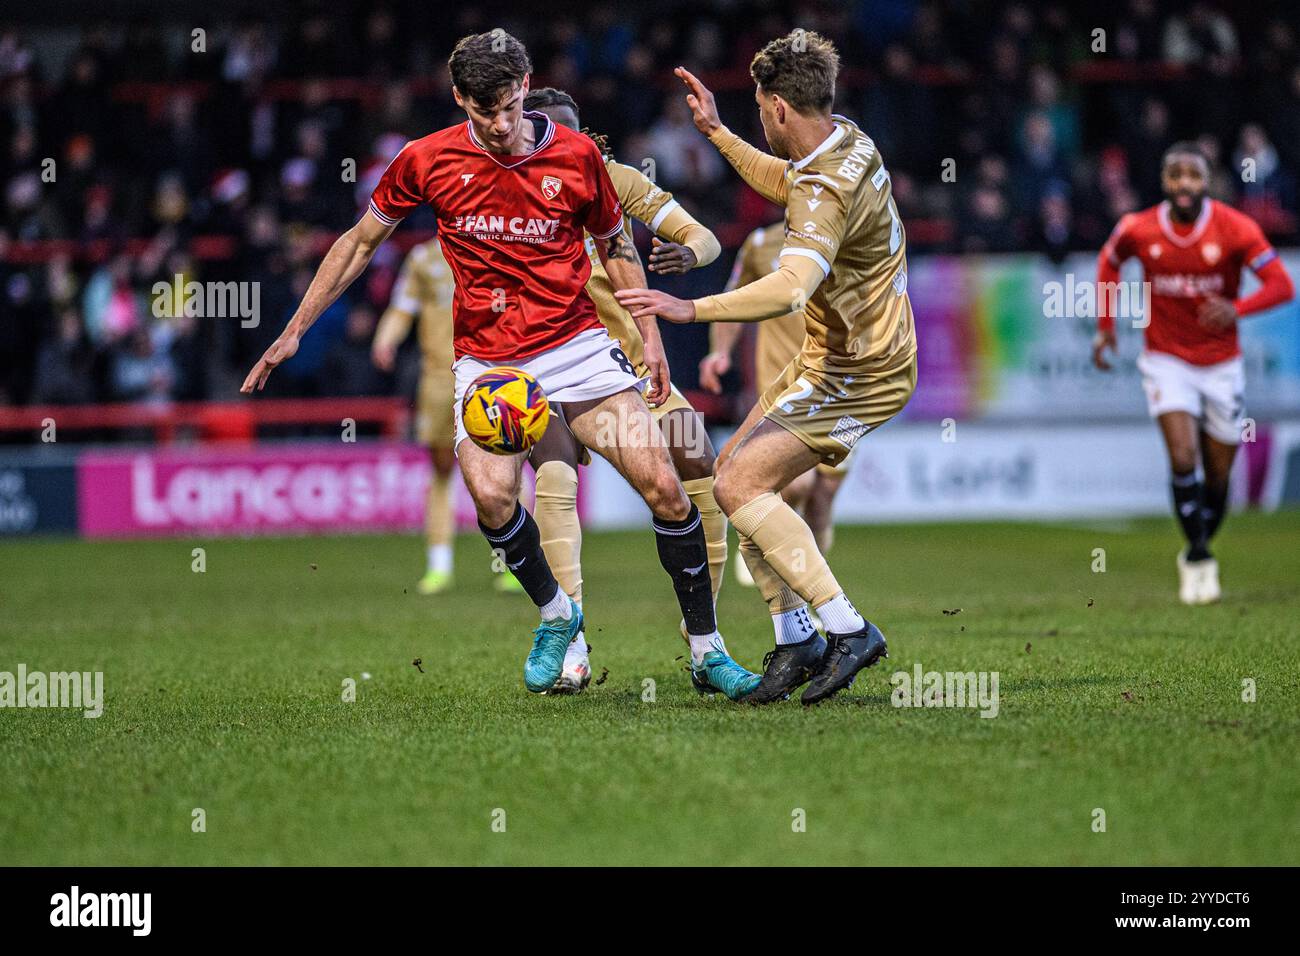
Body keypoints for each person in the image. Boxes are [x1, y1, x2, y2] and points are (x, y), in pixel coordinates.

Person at [242, 31, 759, 699]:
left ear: (524, 88)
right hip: (489, 364)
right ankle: (556, 613)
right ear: (460, 99)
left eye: (510, 106)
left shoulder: (577, 157)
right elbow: (359, 241)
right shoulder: (425, 160)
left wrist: (650, 337)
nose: (500, 123)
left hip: (578, 348)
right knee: (489, 497)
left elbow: (617, 246)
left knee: (663, 482)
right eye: (484, 111)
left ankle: (707, 649)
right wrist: (293, 331)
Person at [617, 31, 918, 705]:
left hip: (859, 369)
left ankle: (847, 628)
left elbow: (789, 290)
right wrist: (719, 134)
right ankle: (796, 638)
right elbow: (784, 178)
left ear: (778, 108)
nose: (760, 119)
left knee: (741, 485)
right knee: (735, 481)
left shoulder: (825, 191)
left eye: (757, 109)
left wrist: (688, 309)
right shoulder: (848, 140)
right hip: (840, 355)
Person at [521, 86, 725, 693]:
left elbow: (705, 237)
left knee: (700, 465)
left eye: (562, 134)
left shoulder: (614, 180)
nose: (548, 145)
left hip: (635, 369)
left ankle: (702, 636)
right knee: (555, 473)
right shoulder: (507, 193)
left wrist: (689, 254)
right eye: (539, 133)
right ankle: (572, 643)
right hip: (547, 369)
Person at [1092, 142, 1294, 604]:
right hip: (1165, 359)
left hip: (1222, 365)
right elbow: (1109, 262)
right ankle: (1199, 556)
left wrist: (1237, 308)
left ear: (1208, 181)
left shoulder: (1236, 229)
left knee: (1218, 475)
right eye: (1175, 175)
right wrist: (1105, 329)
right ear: (1164, 182)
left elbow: (1282, 285)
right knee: (1183, 456)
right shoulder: (1138, 228)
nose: (1184, 184)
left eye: (1194, 175)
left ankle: (1199, 545)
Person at [699, 222, 851, 593]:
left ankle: (811, 585)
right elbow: (734, 298)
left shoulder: (847, 241)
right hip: (785, 389)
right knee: (797, 480)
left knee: (823, 495)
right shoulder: (760, 243)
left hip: (843, 390)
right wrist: (720, 352)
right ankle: (759, 536)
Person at [371, 238, 459, 595]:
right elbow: (401, 307)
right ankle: (439, 564)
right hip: (438, 378)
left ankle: (513, 562)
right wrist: (385, 340)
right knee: (440, 468)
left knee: (504, 463)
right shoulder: (423, 258)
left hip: (491, 372)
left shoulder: (493, 241)